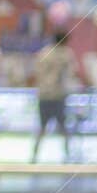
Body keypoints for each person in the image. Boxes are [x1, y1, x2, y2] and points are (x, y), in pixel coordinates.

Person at [31, 30, 81, 161]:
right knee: (63, 127)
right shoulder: (66, 54)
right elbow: (73, 73)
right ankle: (67, 154)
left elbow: (35, 73)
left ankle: (34, 155)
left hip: (43, 96)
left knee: (42, 127)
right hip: (59, 96)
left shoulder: (43, 53)